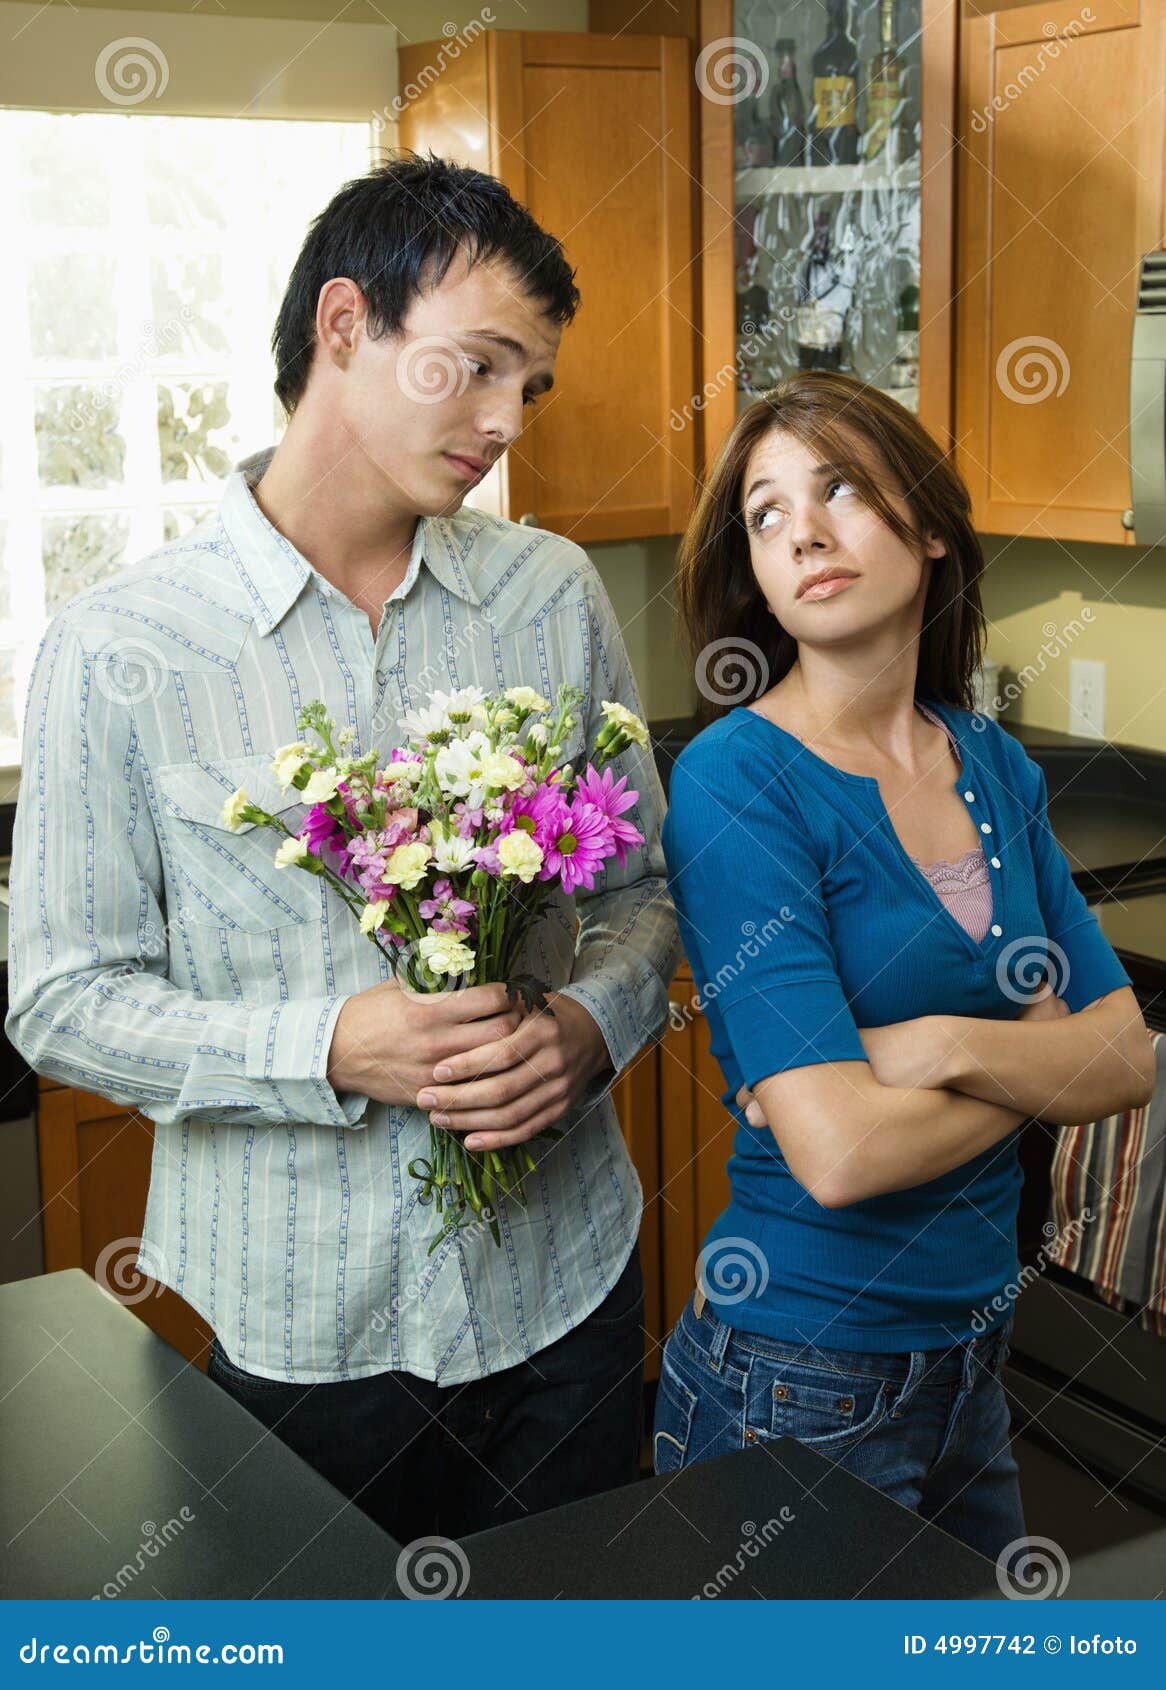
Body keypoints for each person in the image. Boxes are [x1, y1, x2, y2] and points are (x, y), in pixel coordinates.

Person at [5, 155, 680, 1545]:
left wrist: (586, 1026)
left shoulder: (550, 595)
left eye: (528, 386)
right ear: (342, 326)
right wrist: (328, 1046)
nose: (504, 421)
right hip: (299, 1334)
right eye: (477, 366)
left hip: (572, 1297)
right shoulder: (120, 647)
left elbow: (639, 891)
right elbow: (59, 997)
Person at [654, 369, 1154, 1560]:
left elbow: (1128, 1059)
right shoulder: (736, 782)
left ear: (930, 527)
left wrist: (932, 1049)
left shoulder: (990, 763)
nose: (803, 533)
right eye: (766, 513)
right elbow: (838, 1154)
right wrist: (1040, 1061)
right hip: (794, 1371)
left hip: (971, 1364)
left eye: (839, 489)